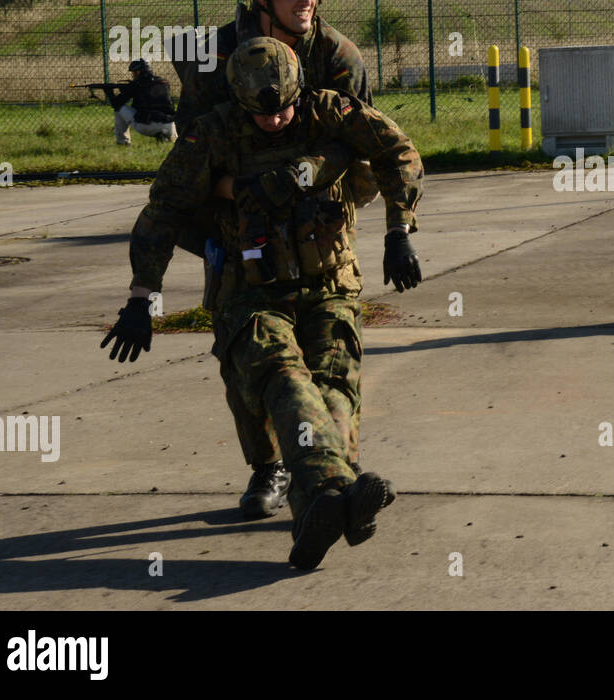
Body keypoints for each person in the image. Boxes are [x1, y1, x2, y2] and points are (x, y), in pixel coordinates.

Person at [101, 36, 425, 569]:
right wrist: (141, 298)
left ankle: (324, 504)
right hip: (250, 293)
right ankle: (334, 491)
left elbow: (400, 153)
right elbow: (162, 211)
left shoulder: (329, 111)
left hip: (328, 285)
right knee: (285, 378)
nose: (273, 122)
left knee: (334, 384)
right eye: (260, 115)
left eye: (282, 111)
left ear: (298, 90)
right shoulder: (213, 133)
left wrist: (399, 230)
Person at [173, 0, 380, 520]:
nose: (308, 0)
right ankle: (270, 466)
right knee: (245, 357)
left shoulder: (337, 56)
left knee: (332, 350)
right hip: (240, 224)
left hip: (319, 223)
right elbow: (190, 156)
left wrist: (307, 173)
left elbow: (360, 144)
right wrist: (240, 192)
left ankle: (335, 465)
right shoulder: (211, 58)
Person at [107, 59, 177, 145]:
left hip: (147, 126)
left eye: (135, 72)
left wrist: (109, 93)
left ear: (140, 72)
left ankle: (123, 142)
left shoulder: (136, 85)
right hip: (170, 126)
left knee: (119, 108)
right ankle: (164, 137)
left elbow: (116, 103)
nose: (133, 75)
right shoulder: (163, 82)